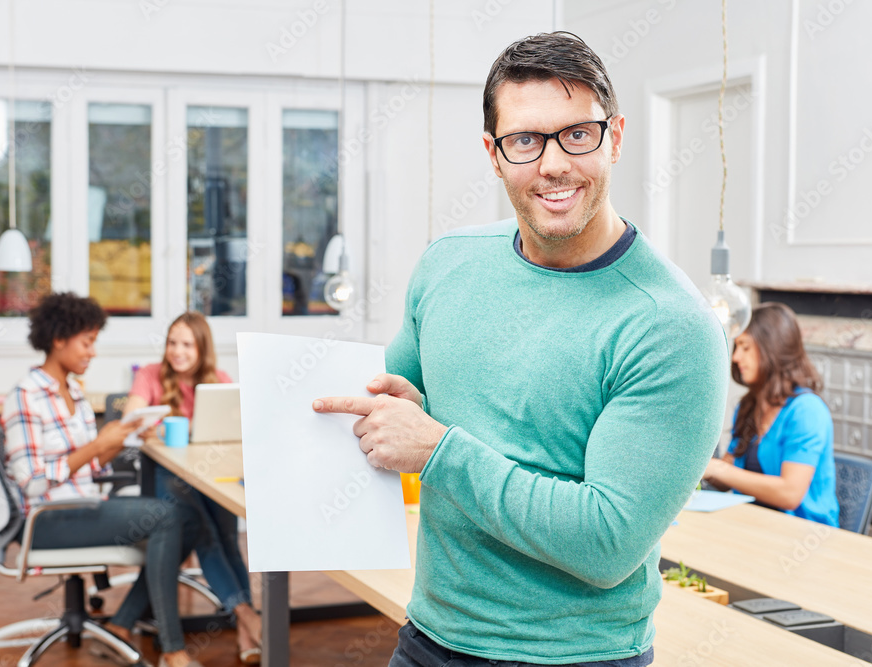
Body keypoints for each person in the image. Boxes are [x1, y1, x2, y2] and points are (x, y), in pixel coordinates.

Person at [312, 32, 728, 666]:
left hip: (577, 656)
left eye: (577, 134)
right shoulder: (447, 265)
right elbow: (400, 406)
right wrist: (398, 410)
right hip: (430, 637)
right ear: (494, 153)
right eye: (526, 140)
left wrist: (439, 451)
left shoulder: (670, 327)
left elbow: (606, 544)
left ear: (615, 136)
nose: (554, 164)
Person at [1, 292, 204, 667]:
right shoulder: (25, 397)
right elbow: (31, 482)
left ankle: (124, 624)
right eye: (87, 342)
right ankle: (173, 650)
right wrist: (97, 445)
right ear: (59, 339)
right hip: (49, 519)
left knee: (190, 519)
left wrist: (119, 437)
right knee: (166, 515)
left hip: (83, 506)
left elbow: (89, 465)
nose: (92, 352)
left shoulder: (74, 392)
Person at [124, 312, 263, 664]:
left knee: (229, 539)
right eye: (172, 342)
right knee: (207, 535)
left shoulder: (220, 380)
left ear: (202, 348)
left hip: (211, 475)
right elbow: (131, 418)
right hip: (169, 477)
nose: (177, 351)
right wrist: (150, 424)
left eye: (186, 344)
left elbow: (239, 426)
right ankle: (247, 617)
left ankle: (246, 627)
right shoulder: (150, 376)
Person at [703, 302, 838, 527]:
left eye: (745, 348)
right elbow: (727, 477)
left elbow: (789, 494)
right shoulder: (749, 406)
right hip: (754, 527)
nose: (735, 357)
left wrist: (719, 468)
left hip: (802, 533)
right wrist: (695, 466)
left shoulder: (807, 411)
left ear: (772, 348)